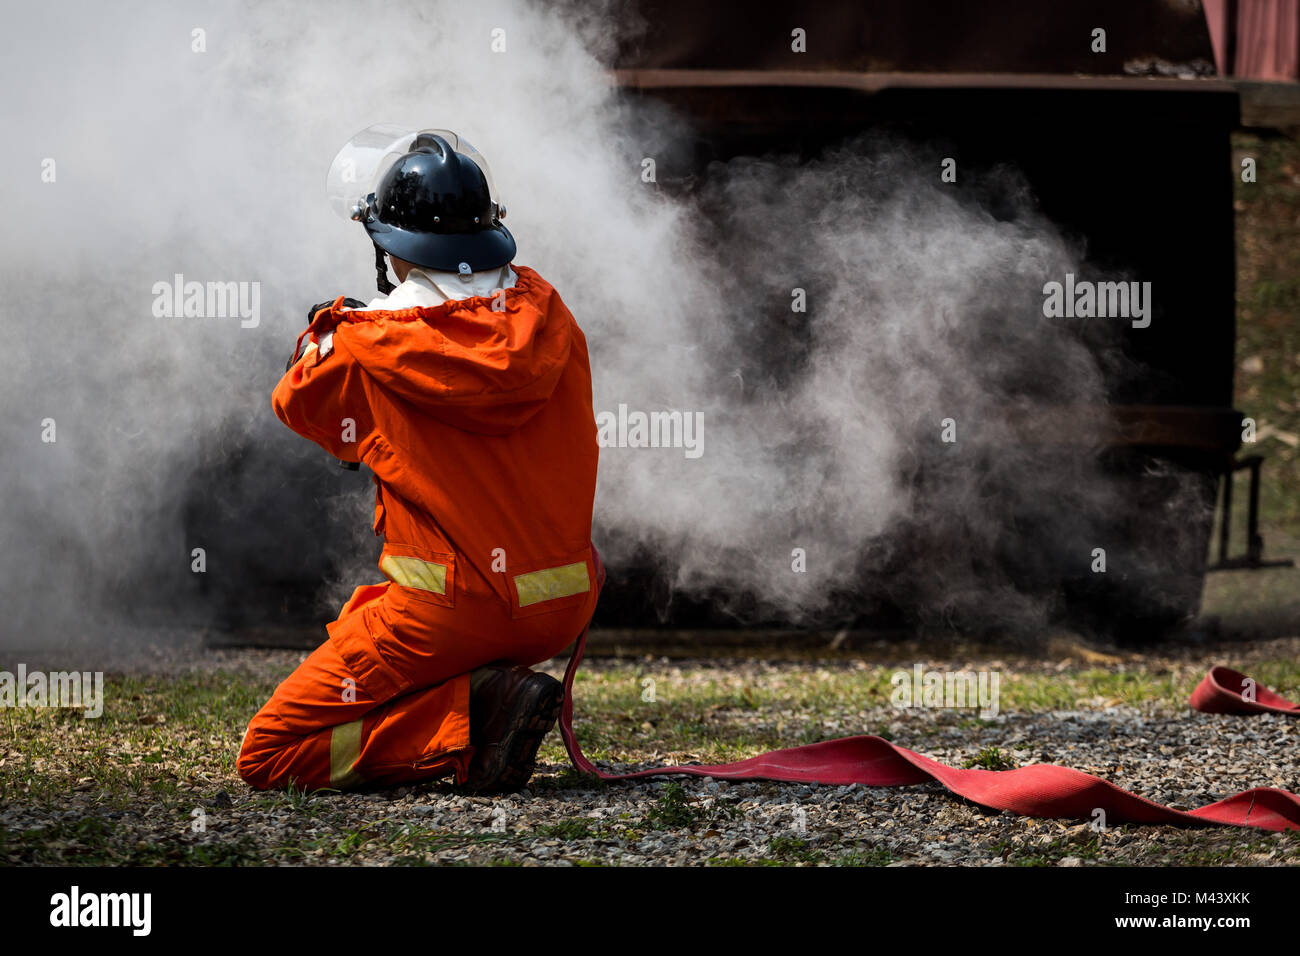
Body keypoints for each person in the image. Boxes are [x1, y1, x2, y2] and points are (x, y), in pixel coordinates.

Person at [237, 131, 600, 795]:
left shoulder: (364, 344)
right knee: (361, 622)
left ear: (389, 246)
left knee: (270, 753)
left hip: (449, 616)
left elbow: (299, 405)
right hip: (559, 606)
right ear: (489, 230)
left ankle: (468, 720)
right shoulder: (552, 313)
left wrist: (327, 328)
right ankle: (480, 689)